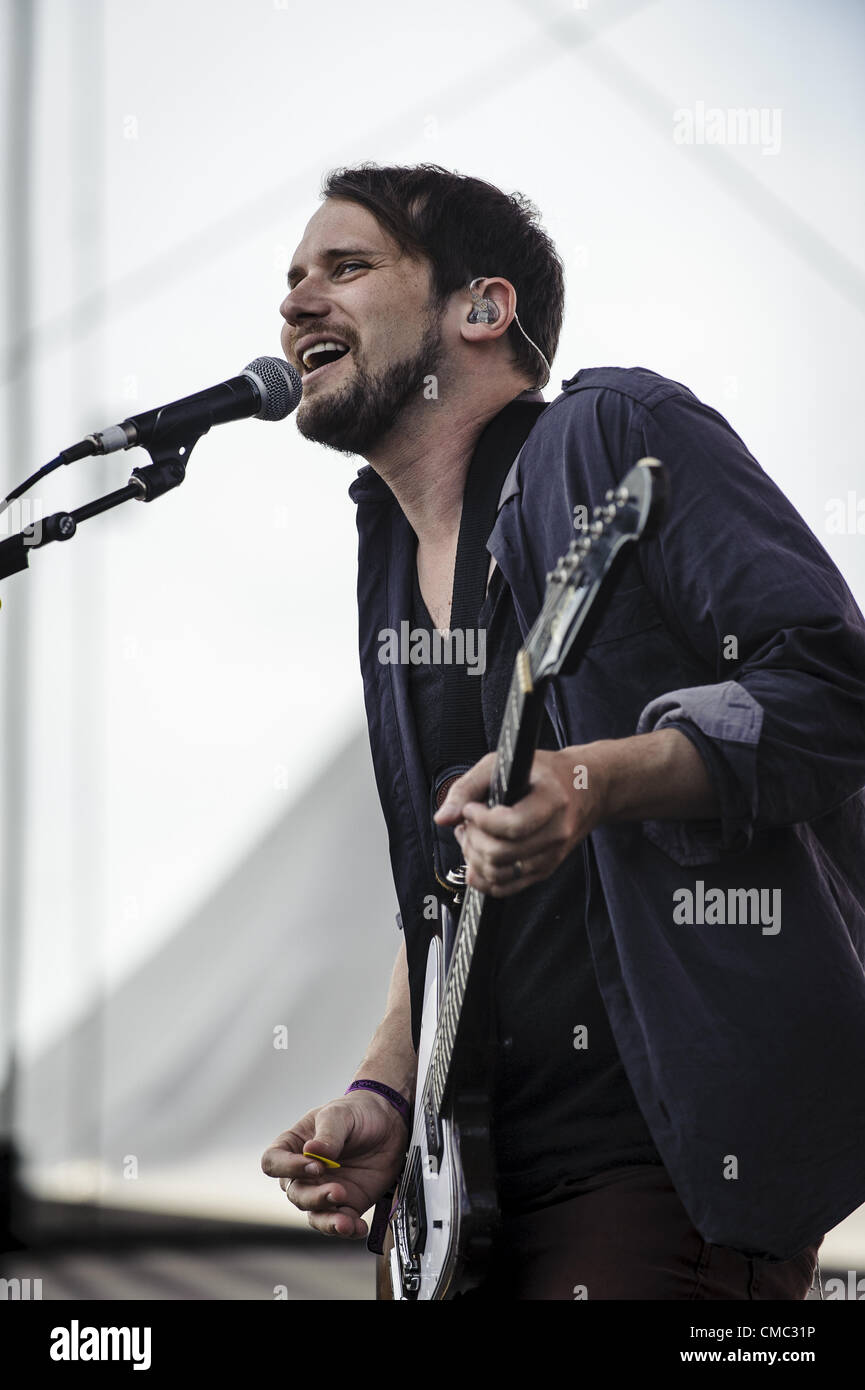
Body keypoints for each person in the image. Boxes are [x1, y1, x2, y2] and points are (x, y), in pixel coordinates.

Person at [260, 163, 865, 1300]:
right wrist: (389, 1090)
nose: (296, 301)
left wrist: (591, 778)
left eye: (346, 267)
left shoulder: (612, 434)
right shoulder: (386, 560)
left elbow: (835, 684)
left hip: (658, 1161)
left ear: (482, 309)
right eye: (291, 277)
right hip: (461, 1184)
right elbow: (444, 891)